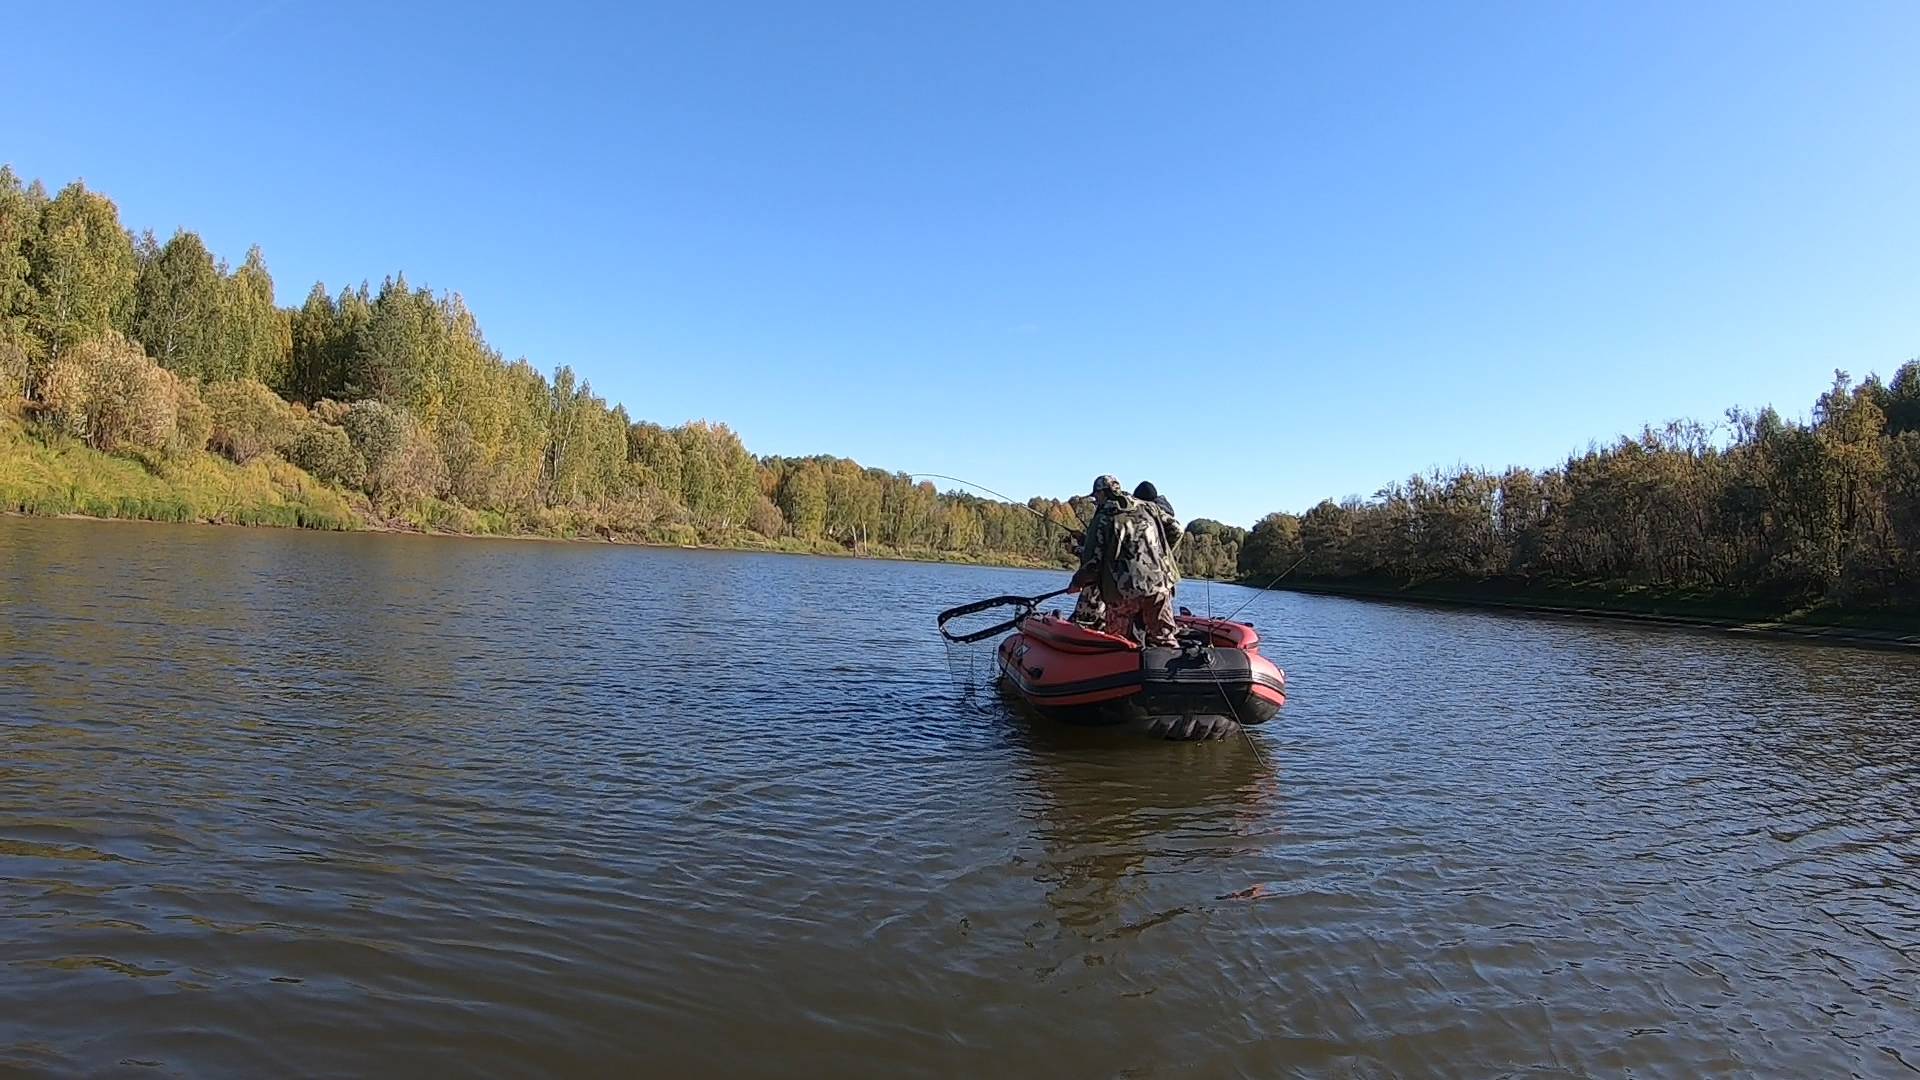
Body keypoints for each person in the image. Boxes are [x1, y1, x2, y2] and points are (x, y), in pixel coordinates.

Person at [1070, 475, 1179, 647]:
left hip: (1122, 591)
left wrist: (1076, 582)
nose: (1096, 500)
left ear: (1103, 493)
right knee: (1165, 639)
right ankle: (1170, 670)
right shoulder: (1149, 507)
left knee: (1120, 644)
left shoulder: (1103, 517)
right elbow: (1177, 529)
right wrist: (1161, 555)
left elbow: (1093, 563)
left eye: (1096, 496)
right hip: (1159, 585)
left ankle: (1124, 669)